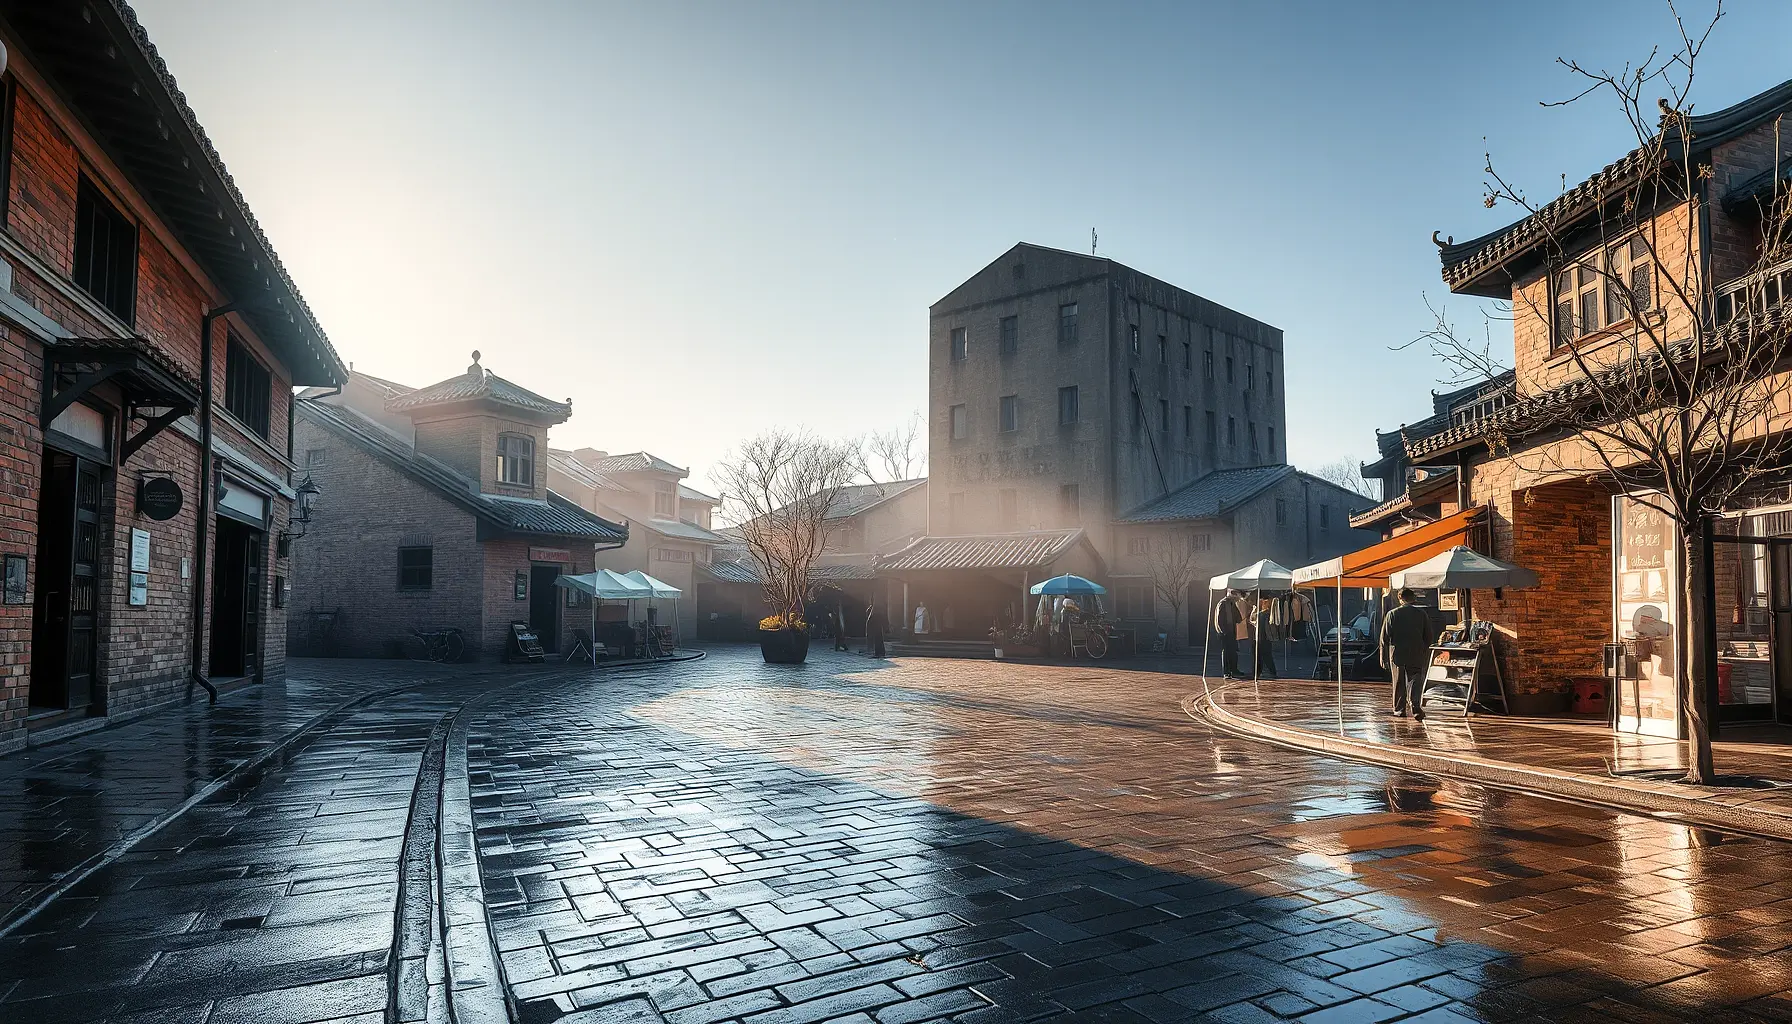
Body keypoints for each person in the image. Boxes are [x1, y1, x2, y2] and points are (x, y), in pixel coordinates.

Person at [1381, 587, 1433, 720]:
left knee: (1399, 682)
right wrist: (1423, 649)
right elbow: (1428, 636)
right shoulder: (1421, 614)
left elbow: (1384, 638)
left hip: (1398, 653)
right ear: (1413, 599)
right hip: (1416, 653)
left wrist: (1383, 657)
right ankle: (1415, 706)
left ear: (1400, 598)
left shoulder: (1392, 614)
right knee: (1415, 680)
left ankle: (1399, 709)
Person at [1213, 590, 1245, 679]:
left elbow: (1238, 619)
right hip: (1225, 632)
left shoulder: (1232, 604)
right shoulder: (1223, 604)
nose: (1238, 599)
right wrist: (1223, 631)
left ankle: (1234, 670)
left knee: (1233, 652)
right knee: (1226, 652)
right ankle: (1226, 672)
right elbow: (1219, 619)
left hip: (1232, 631)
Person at [1251, 597, 1278, 679]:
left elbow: (1252, 620)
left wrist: (1254, 609)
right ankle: (1269, 671)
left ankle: (1260, 672)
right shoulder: (1267, 614)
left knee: (1261, 656)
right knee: (1266, 656)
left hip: (1261, 638)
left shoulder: (1262, 614)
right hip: (1265, 638)